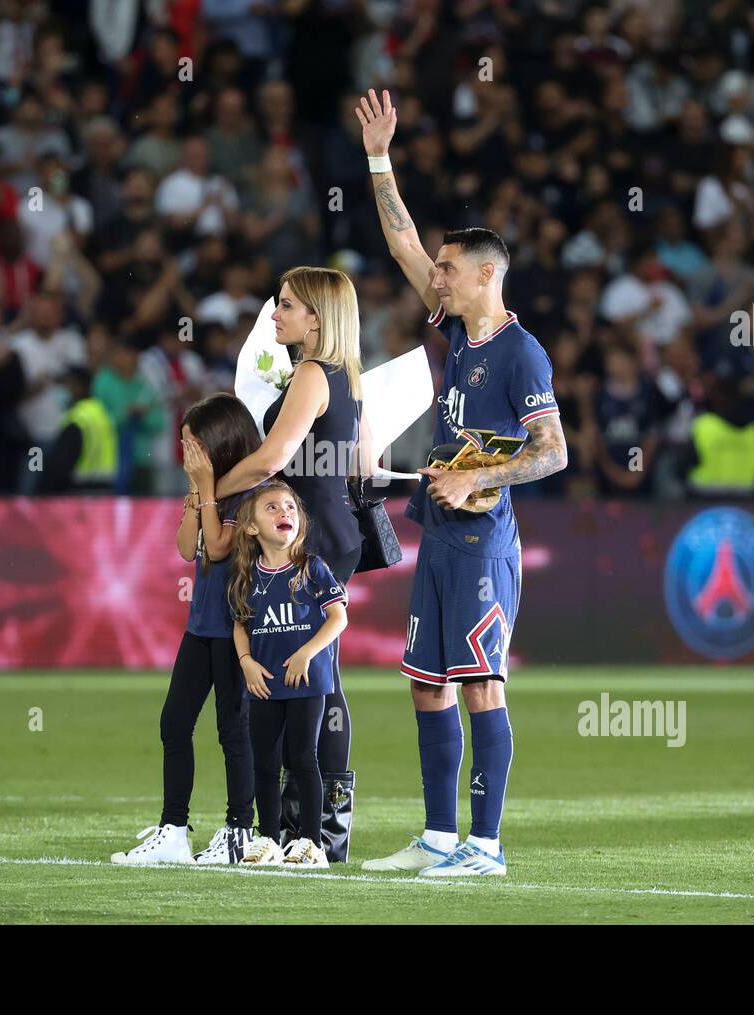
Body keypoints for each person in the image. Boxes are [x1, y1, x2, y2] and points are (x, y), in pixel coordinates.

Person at [355, 89, 568, 876]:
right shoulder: (454, 326)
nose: (433, 277)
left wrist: (481, 478)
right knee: (426, 687)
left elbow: (553, 452)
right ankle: (440, 836)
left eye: (448, 269)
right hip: (441, 538)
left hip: (482, 542)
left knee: (482, 686)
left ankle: (487, 845)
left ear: (484, 276)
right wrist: (379, 157)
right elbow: (404, 238)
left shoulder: (522, 355)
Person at [213, 266, 368, 862]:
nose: (274, 315)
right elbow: (364, 458)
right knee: (319, 679)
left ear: (317, 318)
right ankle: (320, 828)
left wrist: (213, 488)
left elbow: (275, 455)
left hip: (307, 538)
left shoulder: (309, 371)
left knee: (310, 681)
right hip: (329, 528)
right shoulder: (348, 374)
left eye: (286, 305)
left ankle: (307, 831)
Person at [111, 393, 263, 865]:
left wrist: (207, 490)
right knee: (174, 722)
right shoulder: (208, 487)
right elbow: (186, 547)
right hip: (200, 624)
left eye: (193, 445)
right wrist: (198, 493)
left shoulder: (253, 493)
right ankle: (174, 828)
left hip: (236, 627)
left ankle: (240, 828)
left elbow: (218, 547)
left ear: (219, 444)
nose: (185, 454)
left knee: (232, 730)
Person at [228, 480, 348, 867]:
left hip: (306, 682)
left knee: (302, 758)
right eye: (273, 509)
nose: (285, 514)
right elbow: (240, 625)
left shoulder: (311, 568)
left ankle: (311, 843)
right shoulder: (247, 575)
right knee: (264, 762)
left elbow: (338, 617)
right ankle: (268, 839)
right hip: (264, 684)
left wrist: (307, 654)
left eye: (291, 508)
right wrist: (246, 661)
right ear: (251, 528)